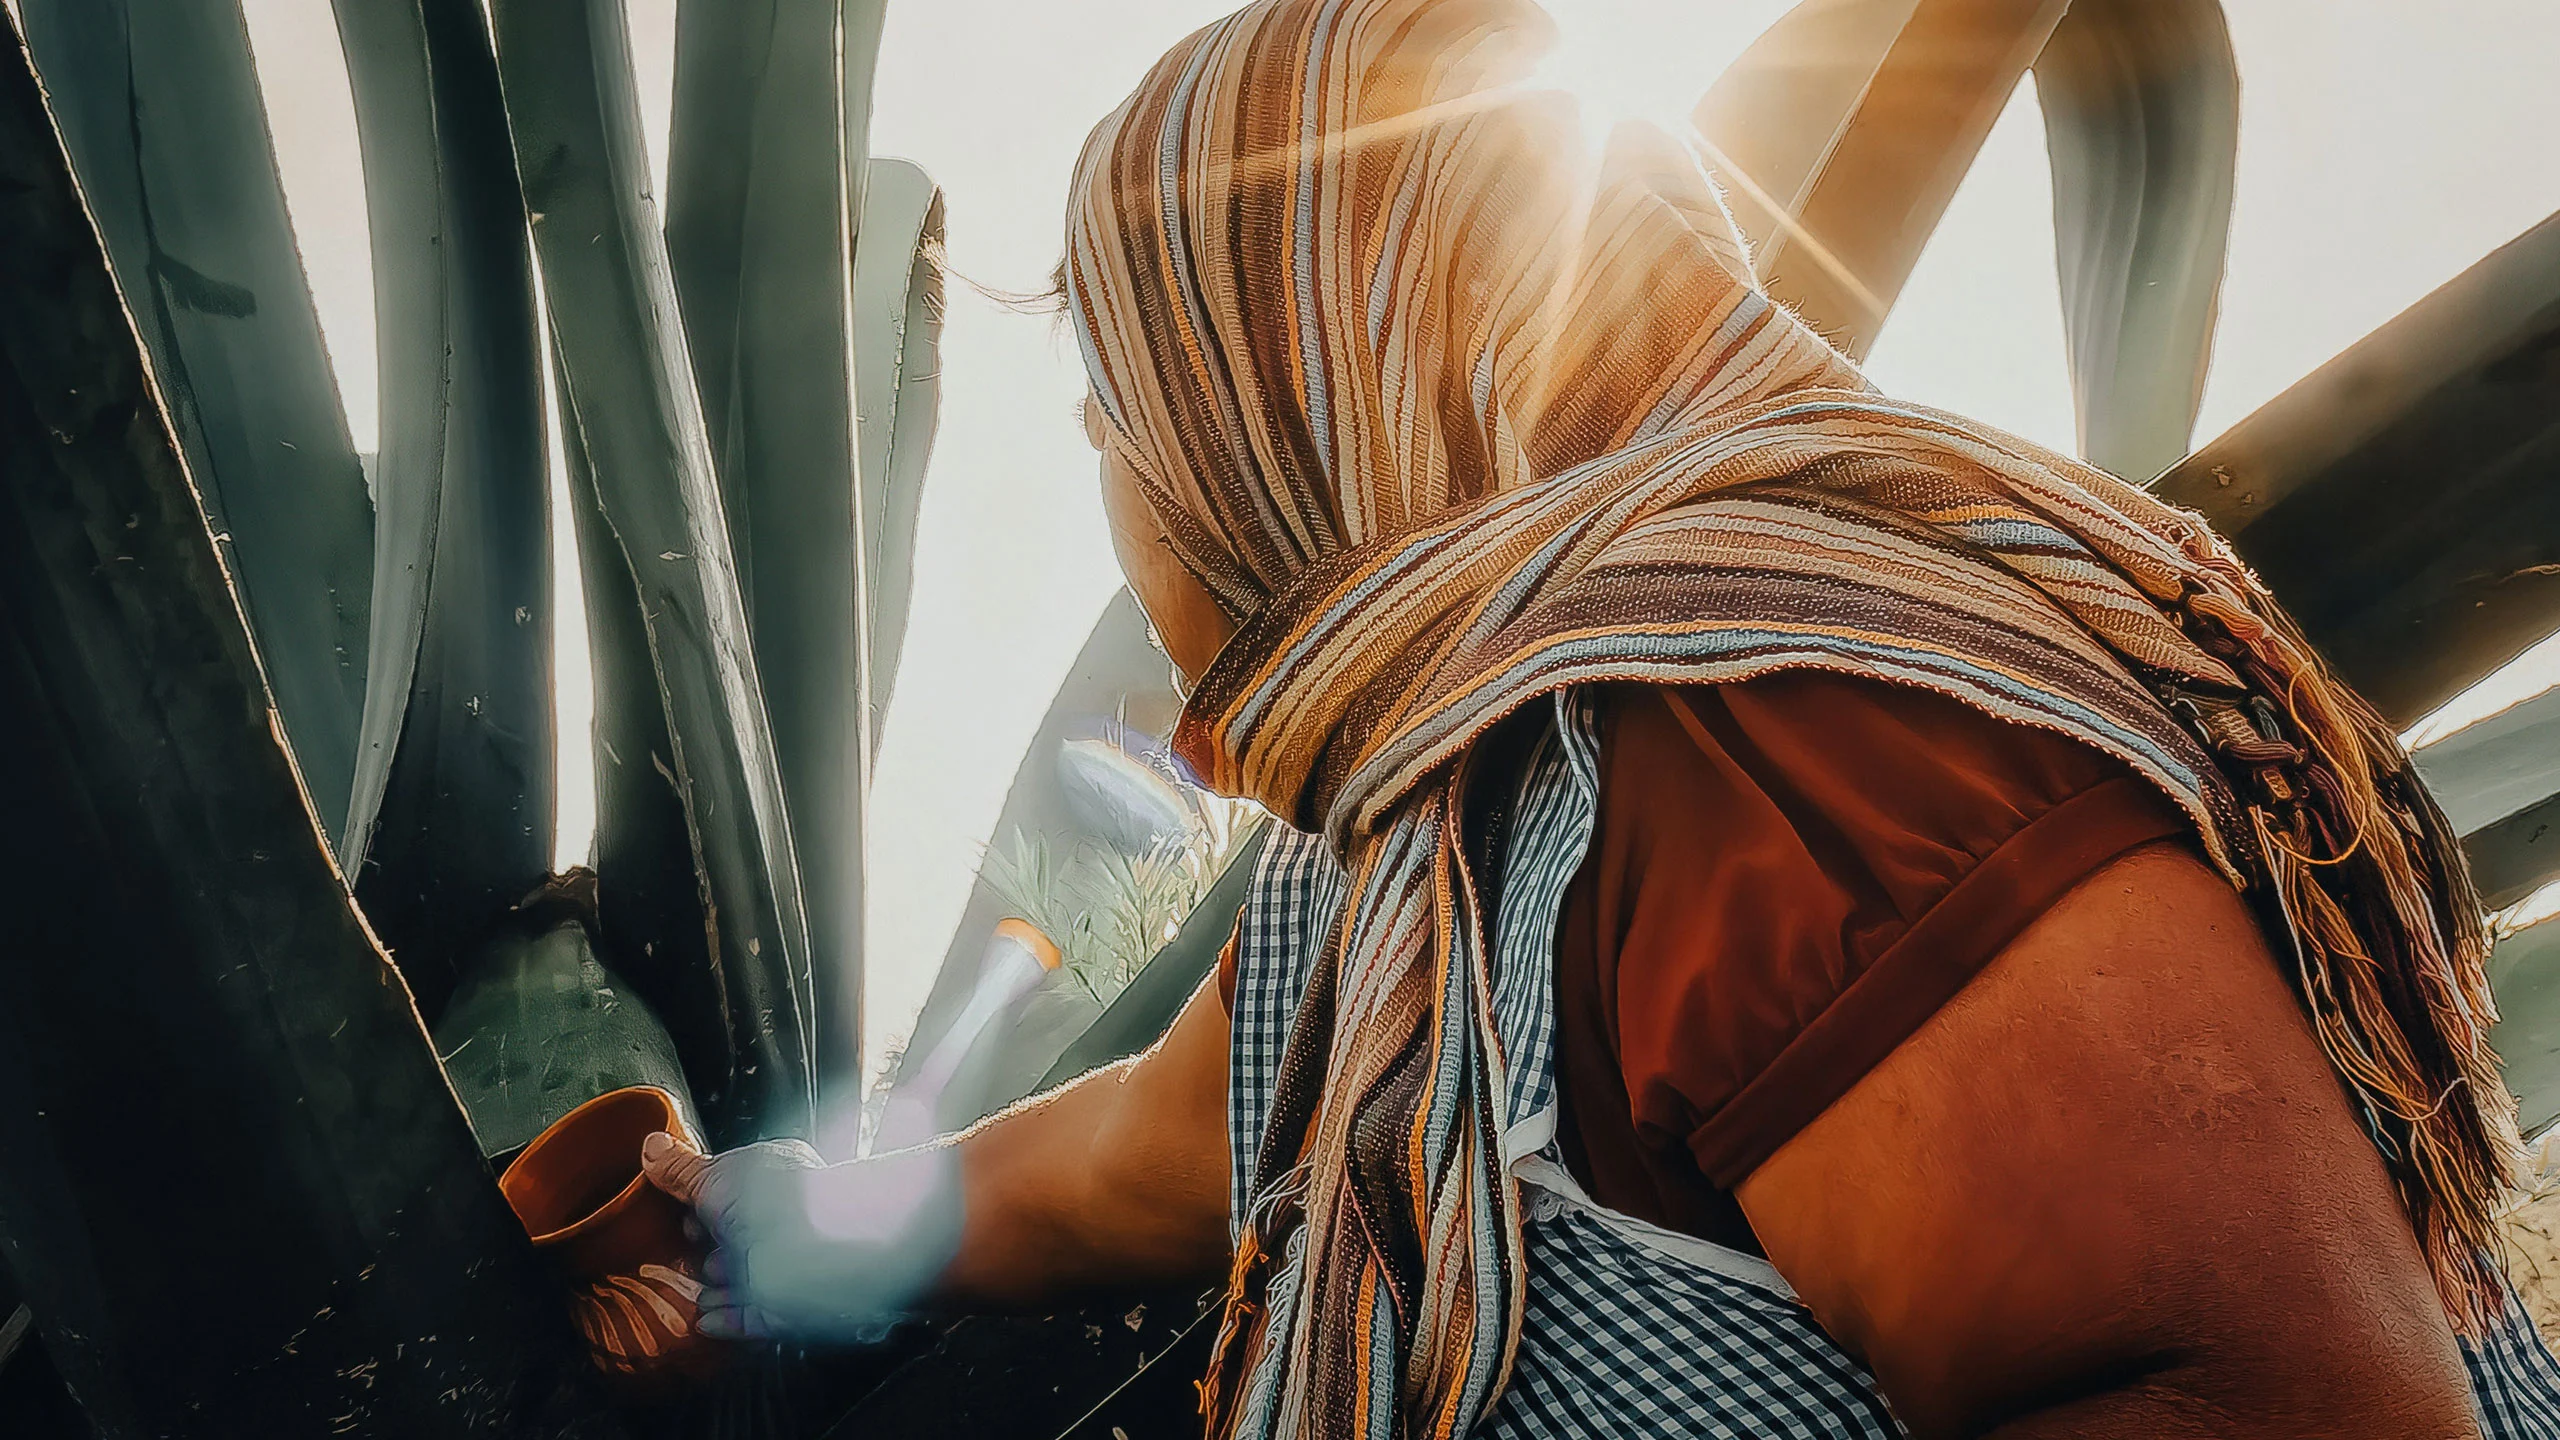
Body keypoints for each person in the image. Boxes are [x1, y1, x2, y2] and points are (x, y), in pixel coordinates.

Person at [637, 1, 2560, 1434]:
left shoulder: (1772, 738)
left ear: (1284, 396)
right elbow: (1126, 1161)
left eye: (1120, 420)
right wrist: (766, 1222)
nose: (1122, 501)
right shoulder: (1435, 837)